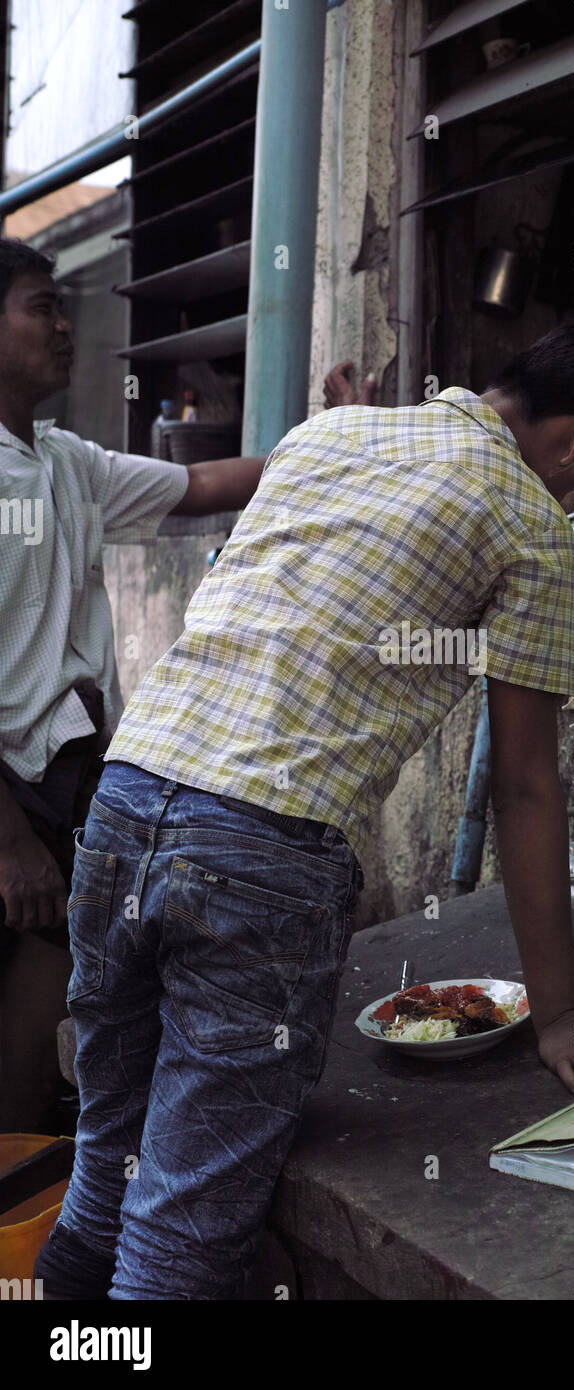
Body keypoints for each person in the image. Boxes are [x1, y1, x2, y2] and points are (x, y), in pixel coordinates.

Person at [34, 316, 574, 1301]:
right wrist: (558, 1016)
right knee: (182, 1236)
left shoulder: (329, 435)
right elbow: (522, 783)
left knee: (103, 1169)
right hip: (258, 852)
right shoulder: (528, 524)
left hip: (124, 806)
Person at [0, 239, 267, 1132]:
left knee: (38, 1014)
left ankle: (36, 1210)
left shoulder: (65, 462)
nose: (65, 325)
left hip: (66, 777)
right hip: (8, 794)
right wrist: (7, 839)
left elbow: (199, 483)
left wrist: (337, 443)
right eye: (42, 306)